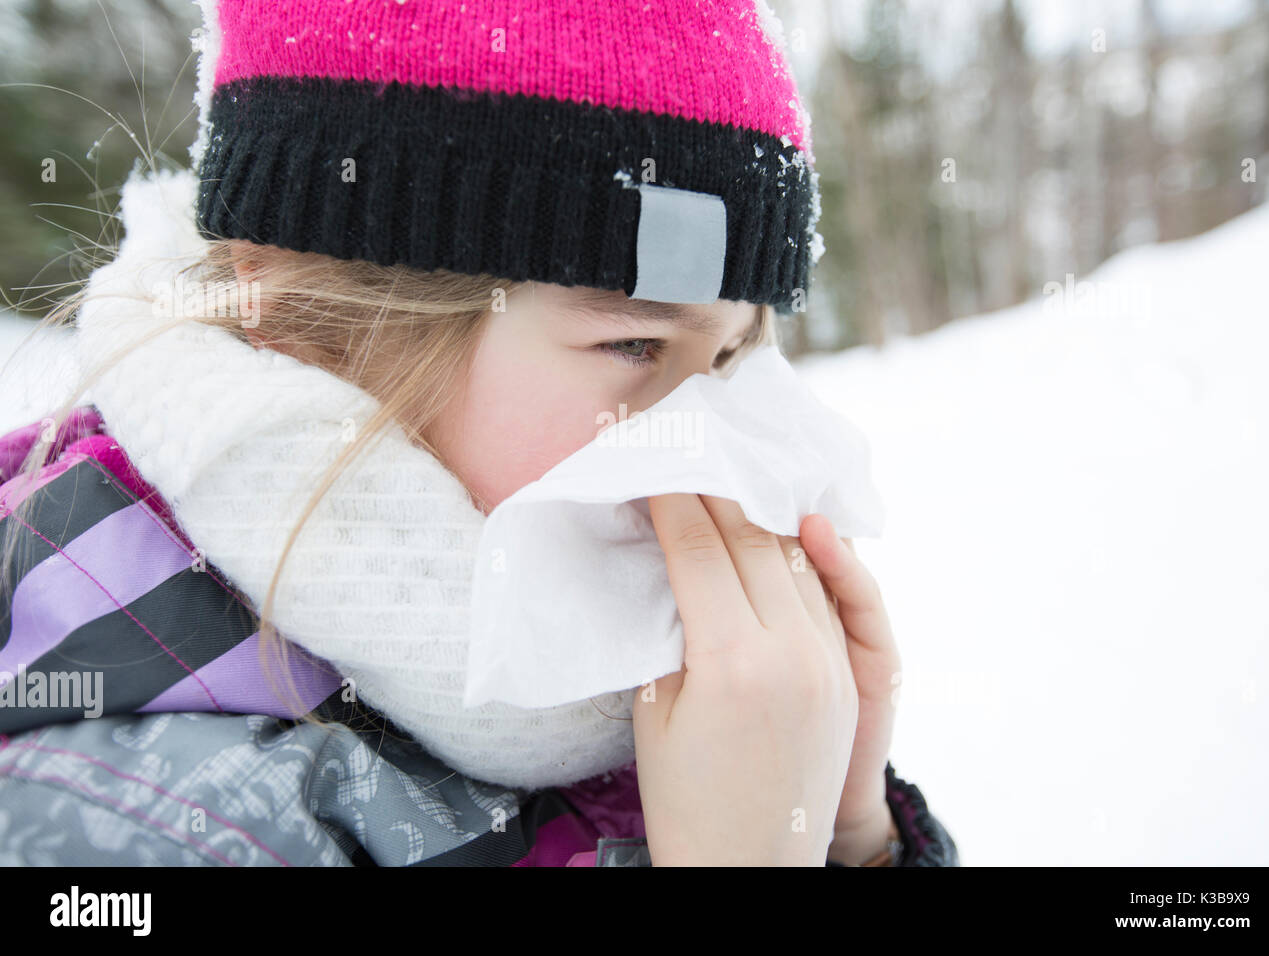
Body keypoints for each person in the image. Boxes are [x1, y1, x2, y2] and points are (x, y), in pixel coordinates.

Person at [0, 0, 957, 867]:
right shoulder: (135, 825)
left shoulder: (615, 694)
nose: (707, 447)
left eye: (728, 362)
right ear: (313, 321)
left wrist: (844, 829)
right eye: (633, 342)